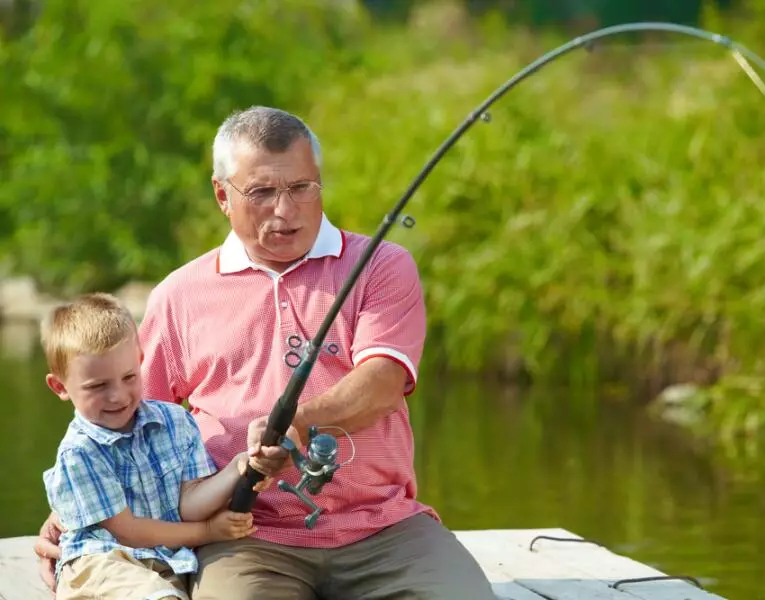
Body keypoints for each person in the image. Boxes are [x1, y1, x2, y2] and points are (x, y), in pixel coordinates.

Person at [35, 106, 497, 599]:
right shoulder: (179, 294)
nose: (285, 210)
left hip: (383, 527)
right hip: (243, 534)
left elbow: (382, 383)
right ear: (222, 196)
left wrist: (294, 423)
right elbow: (126, 418)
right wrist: (74, 506)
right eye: (261, 192)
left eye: (301, 187)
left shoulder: (382, 265)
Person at [38, 292, 274, 600]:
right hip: (102, 561)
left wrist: (237, 469)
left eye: (129, 377)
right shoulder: (79, 453)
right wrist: (208, 532)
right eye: (98, 386)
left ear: (140, 362)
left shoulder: (175, 421)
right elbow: (128, 531)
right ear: (60, 387)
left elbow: (188, 505)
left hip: (166, 561)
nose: (118, 396)